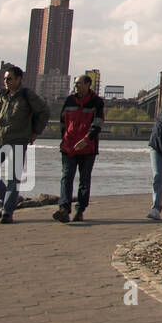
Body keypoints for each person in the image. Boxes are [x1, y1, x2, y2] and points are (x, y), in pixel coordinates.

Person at [0, 64, 49, 224]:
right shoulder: (0, 95)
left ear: (18, 79)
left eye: (10, 79)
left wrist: (35, 131)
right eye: (5, 79)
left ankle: (7, 212)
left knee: (13, 178)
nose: (6, 81)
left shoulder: (27, 95)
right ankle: (6, 199)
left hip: (18, 141)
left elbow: (44, 111)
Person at [53, 74, 104, 223]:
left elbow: (98, 124)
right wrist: (65, 137)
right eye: (75, 83)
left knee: (84, 180)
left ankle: (80, 210)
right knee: (66, 177)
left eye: (79, 83)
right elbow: (62, 121)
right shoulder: (69, 100)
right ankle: (64, 209)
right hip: (68, 147)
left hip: (88, 149)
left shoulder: (97, 102)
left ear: (89, 85)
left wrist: (86, 139)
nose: (76, 86)